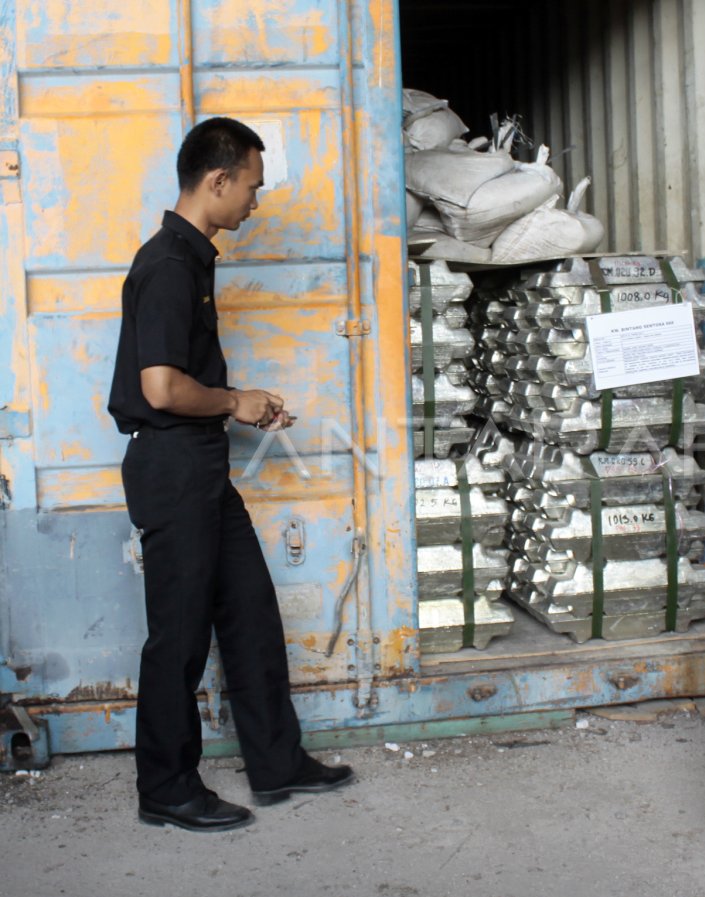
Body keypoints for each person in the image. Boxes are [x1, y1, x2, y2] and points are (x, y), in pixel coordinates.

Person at [108, 117, 353, 833]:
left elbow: (181, 381)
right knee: (178, 636)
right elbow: (159, 387)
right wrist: (235, 400)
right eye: (251, 184)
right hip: (172, 465)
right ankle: (166, 786)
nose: (256, 199)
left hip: (201, 462)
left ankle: (278, 761)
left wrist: (235, 407)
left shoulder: (192, 258)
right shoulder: (167, 265)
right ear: (217, 180)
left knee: (248, 609)